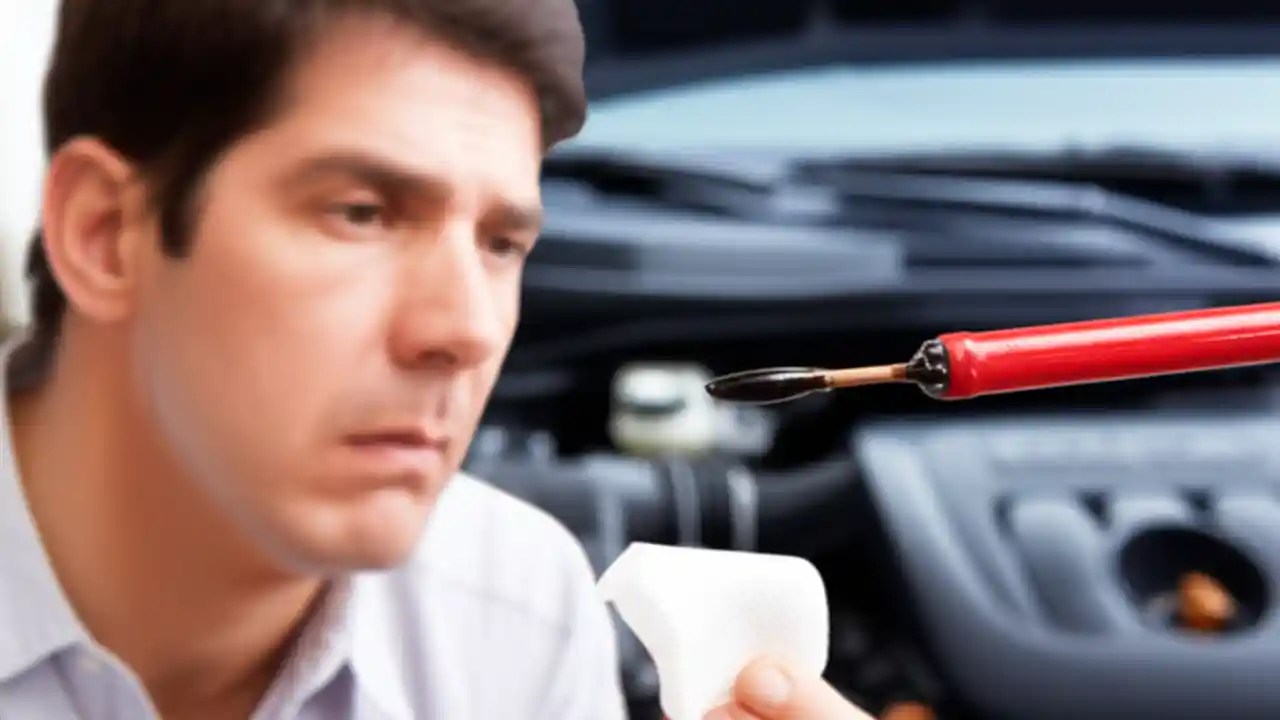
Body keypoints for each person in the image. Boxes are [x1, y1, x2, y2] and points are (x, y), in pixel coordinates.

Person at [0, 1, 874, 719]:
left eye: (500, 244)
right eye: (361, 213)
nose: (467, 329)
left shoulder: (519, 614)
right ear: (106, 235)